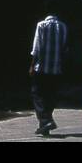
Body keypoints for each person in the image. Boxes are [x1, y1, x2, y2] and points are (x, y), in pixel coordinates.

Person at [29, 8, 67, 136]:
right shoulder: (63, 27)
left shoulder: (41, 25)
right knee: (50, 95)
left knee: (38, 94)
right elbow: (64, 48)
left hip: (42, 67)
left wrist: (32, 65)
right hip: (56, 67)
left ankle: (46, 120)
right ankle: (45, 125)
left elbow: (36, 47)